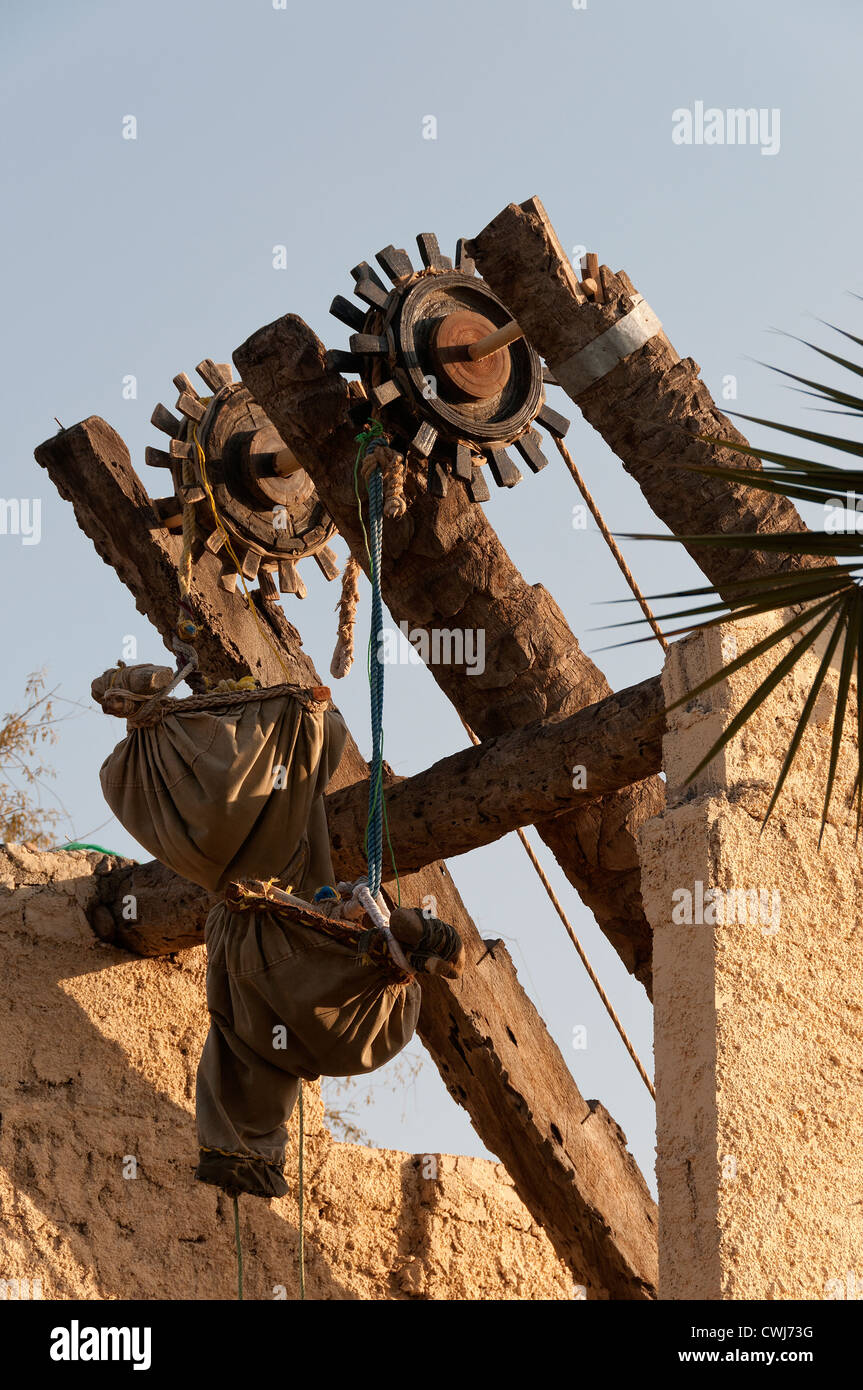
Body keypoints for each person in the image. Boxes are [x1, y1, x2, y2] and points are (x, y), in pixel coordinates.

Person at [93, 662, 464, 1197]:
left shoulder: (137, 789)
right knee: (288, 1002)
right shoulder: (268, 1019)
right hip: (289, 962)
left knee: (271, 1020)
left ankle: (396, 957)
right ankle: (396, 955)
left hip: (274, 952)